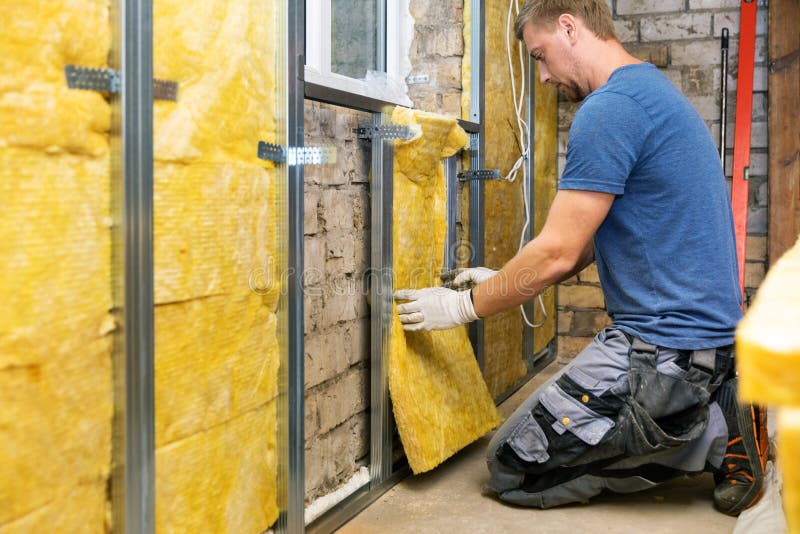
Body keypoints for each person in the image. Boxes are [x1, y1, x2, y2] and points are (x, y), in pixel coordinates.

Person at [393, 0, 767, 516]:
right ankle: (709, 402)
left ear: (569, 27)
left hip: (664, 351)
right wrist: (503, 279)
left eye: (540, 55)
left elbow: (556, 252)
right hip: (704, 344)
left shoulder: (610, 108)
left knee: (514, 467)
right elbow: (583, 244)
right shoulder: (649, 91)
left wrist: (461, 308)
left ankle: (715, 433)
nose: (543, 76)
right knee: (538, 449)